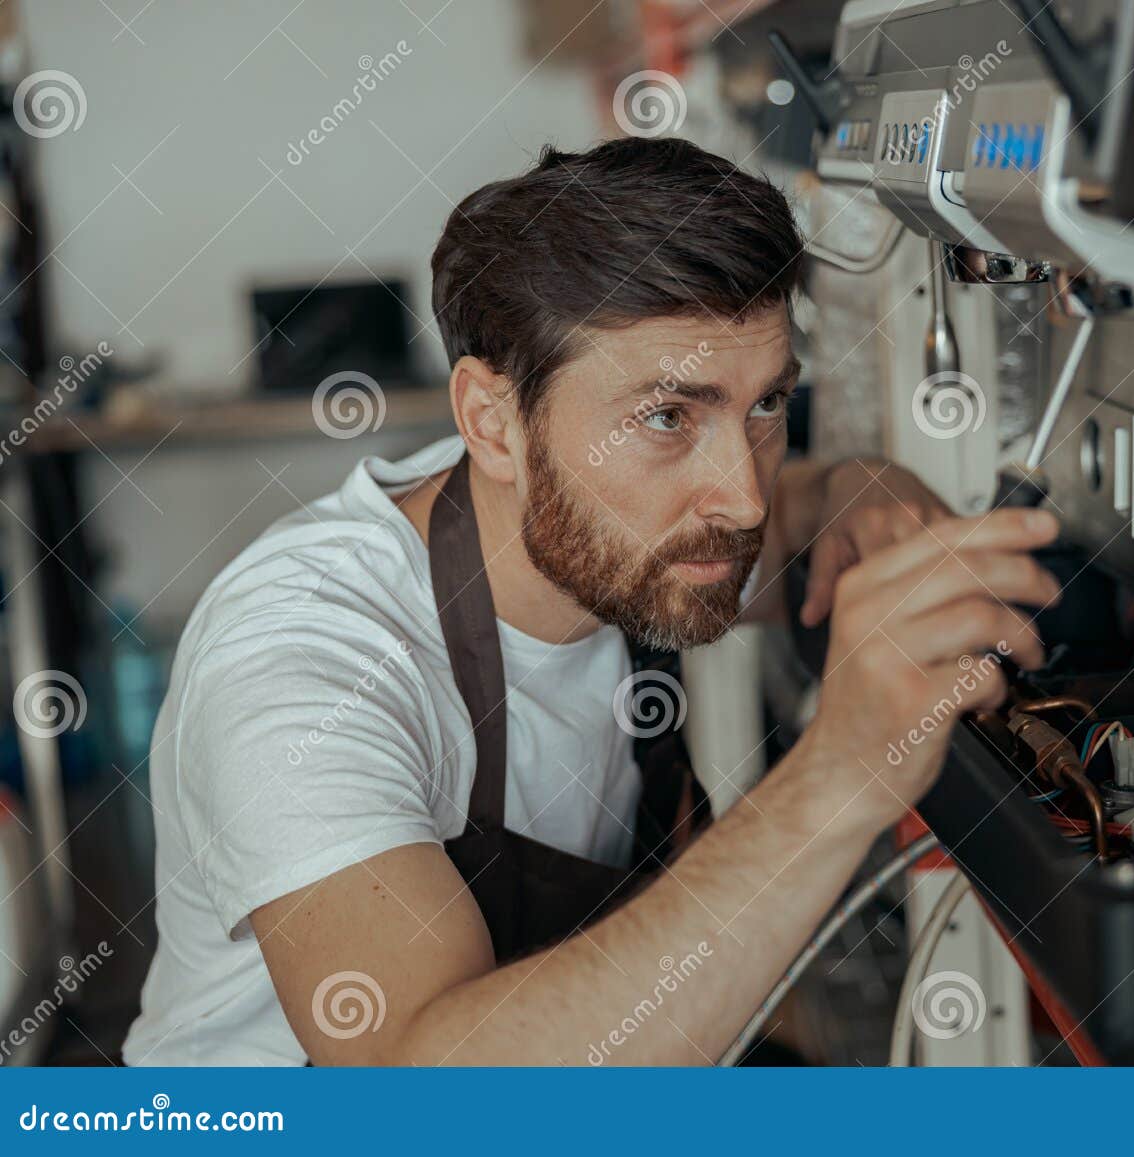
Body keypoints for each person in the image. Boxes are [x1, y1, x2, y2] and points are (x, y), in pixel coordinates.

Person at [122, 137, 1060, 1065]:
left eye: (764, 405)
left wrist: (855, 488)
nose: (740, 494)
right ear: (493, 423)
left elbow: (801, 520)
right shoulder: (302, 664)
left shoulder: (620, 535)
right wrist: (839, 776)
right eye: (667, 416)